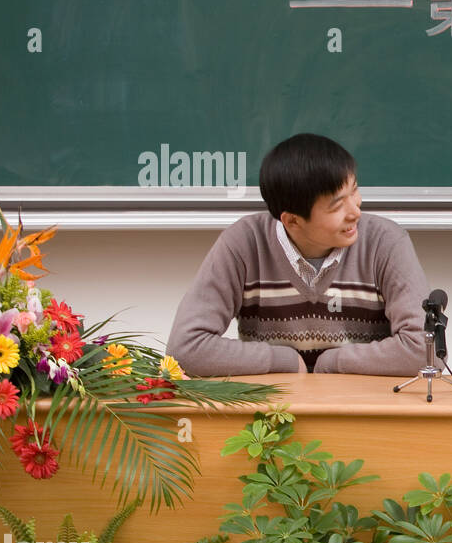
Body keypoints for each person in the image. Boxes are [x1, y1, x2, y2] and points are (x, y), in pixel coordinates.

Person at [167, 133, 429, 376]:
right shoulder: (244, 244)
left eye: (354, 191)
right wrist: (286, 362)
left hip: (360, 412)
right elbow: (185, 349)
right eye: (338, 205)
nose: (355, 212)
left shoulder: (385, 242)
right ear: (292, 221)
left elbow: (426, 350)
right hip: (274, 413)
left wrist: (332, 362)